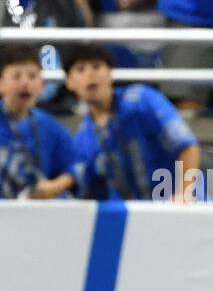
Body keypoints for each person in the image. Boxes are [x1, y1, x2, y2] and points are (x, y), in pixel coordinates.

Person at [62, 41, 203, 203]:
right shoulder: (82, 139)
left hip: (183, 205)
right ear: (69, 82)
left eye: (96, 67)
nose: (90, 74)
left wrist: (184, 193)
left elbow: (188, 146)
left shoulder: (143, 100)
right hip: (136, 219)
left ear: (110, 73)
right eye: (80, 69)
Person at [0, 44, 84, 199]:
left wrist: (53, 187)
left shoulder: (49, 126)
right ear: (1, 83)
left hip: (39, 212)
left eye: (32, 76)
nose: (25, 83)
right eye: (16, 76)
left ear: (42, 85)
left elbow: (75, 167)